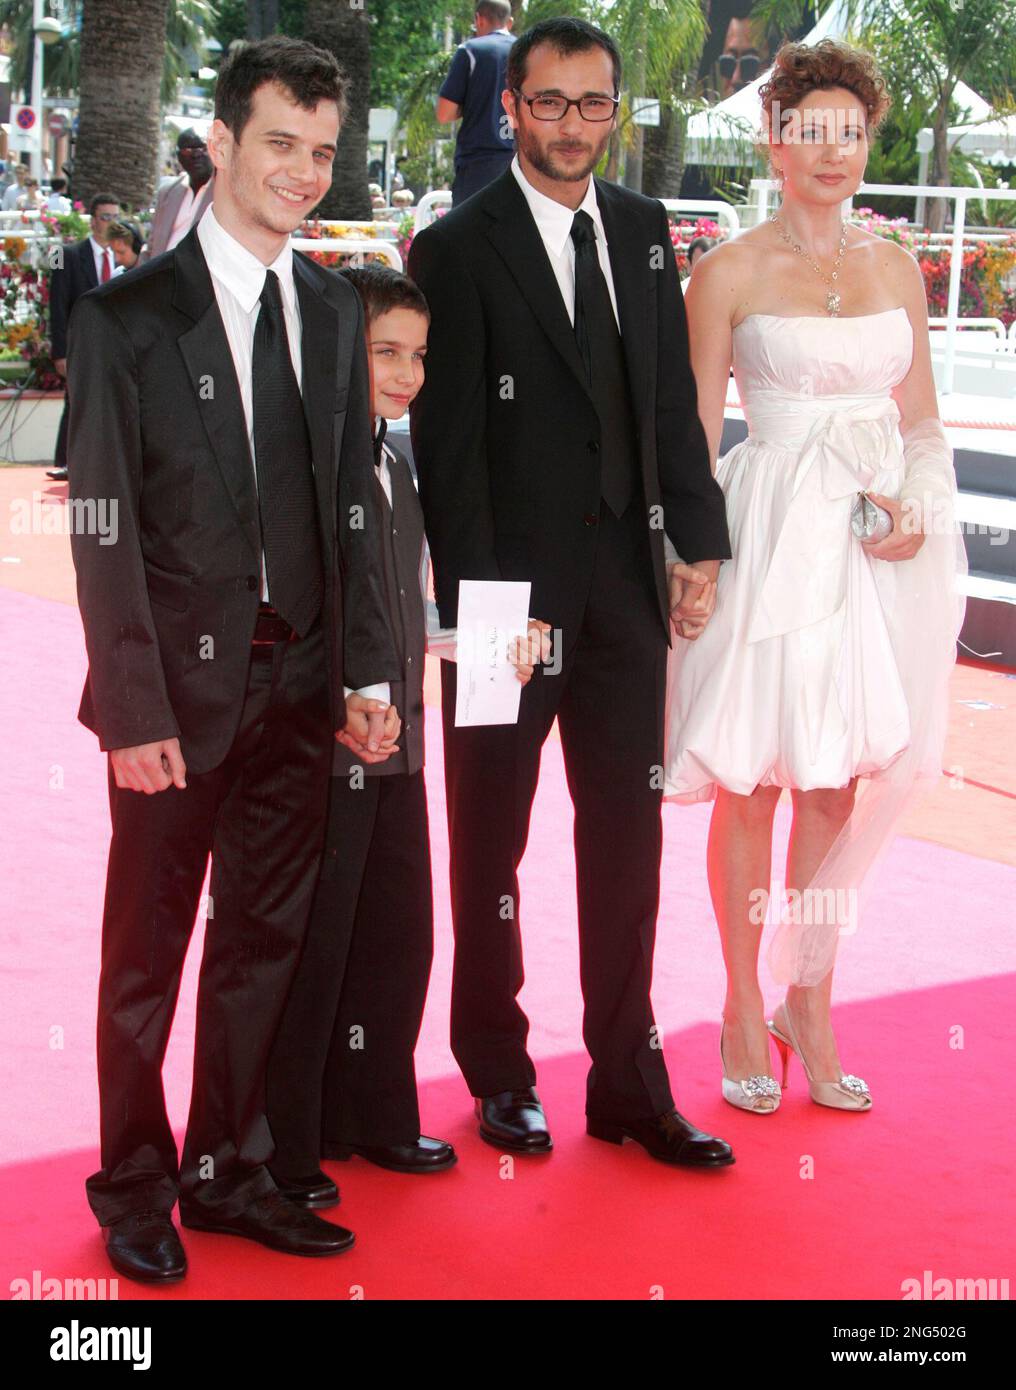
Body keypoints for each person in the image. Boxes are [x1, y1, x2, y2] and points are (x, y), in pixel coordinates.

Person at [67, 34, 401, 1285]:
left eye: (322, 150)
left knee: (266, 943)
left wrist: (365, 678)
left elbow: (352, 514)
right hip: (175, 697)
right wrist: (131, 708)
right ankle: (133, 1183)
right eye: (279, 143)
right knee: (144, 959)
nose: (304, 172)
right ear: (220, 143)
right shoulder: (125, 318)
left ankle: (226, 1170)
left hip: (301, 689)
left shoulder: (332, 309)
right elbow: (98, 529)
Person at [410, 17, 735, 1169]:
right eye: (546, 104)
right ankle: (497, 1072)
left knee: (625, 840)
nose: (569, 126)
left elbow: (664, 414)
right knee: (488, 843)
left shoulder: (647, 234)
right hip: (506, 607)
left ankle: (625, 1081)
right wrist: (490, 606)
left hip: (624, 603)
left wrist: (695, 546)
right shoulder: (454, 248)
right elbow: (446, 458)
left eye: (590, 105)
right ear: (512, 111)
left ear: (613, 112)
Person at [665, 40, 966, 1113]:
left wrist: (915, 505)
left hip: (868, 547)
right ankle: (741, 1004)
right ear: (774, 139)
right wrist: (685, 551)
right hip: (764, 539)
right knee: (748, 783)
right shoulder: (728, 270)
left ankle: (811, 997)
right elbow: (695, 432)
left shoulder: (893, 266)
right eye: (810, 129)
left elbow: (920, 420)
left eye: (850, 132)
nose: (831, 151)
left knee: (836, 787)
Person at [266, 264, 541, 1203]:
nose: (408, 372)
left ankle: (375, 1116)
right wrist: (347, 699)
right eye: (387, 351)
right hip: (334, 749)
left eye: (419, 356)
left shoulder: (394, 464)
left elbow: (406, 608)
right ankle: (289, 1147)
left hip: (402, 747)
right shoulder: (312, 466)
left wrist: (488, 641)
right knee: (317, 947)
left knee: (398, 938)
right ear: (338, 350)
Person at [45, 192, 122, 483]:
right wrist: (60, 352)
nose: (112, 223)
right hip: (81, 347)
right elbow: (58, 305)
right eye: (106, 217)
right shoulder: (67, 255)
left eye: (116, 217)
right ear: (92, 222)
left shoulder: (128, 255)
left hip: (118, 348)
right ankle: (64, 464)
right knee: (75, 404)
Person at [437, 1, 516, 206]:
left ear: (479, 19)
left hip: (477, 165)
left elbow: (444, 113)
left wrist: (473, 104)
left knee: (468, 235)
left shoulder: (470, 50)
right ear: (510, 22)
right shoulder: (529, 53)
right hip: (522, 166)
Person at [143, 127, 215, 260]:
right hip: (162, 274)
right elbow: (152, 245)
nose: (196, 155)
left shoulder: (226, 194)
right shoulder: (167, 192)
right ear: (179, 156)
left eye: (202, 148)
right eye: (188, 150)